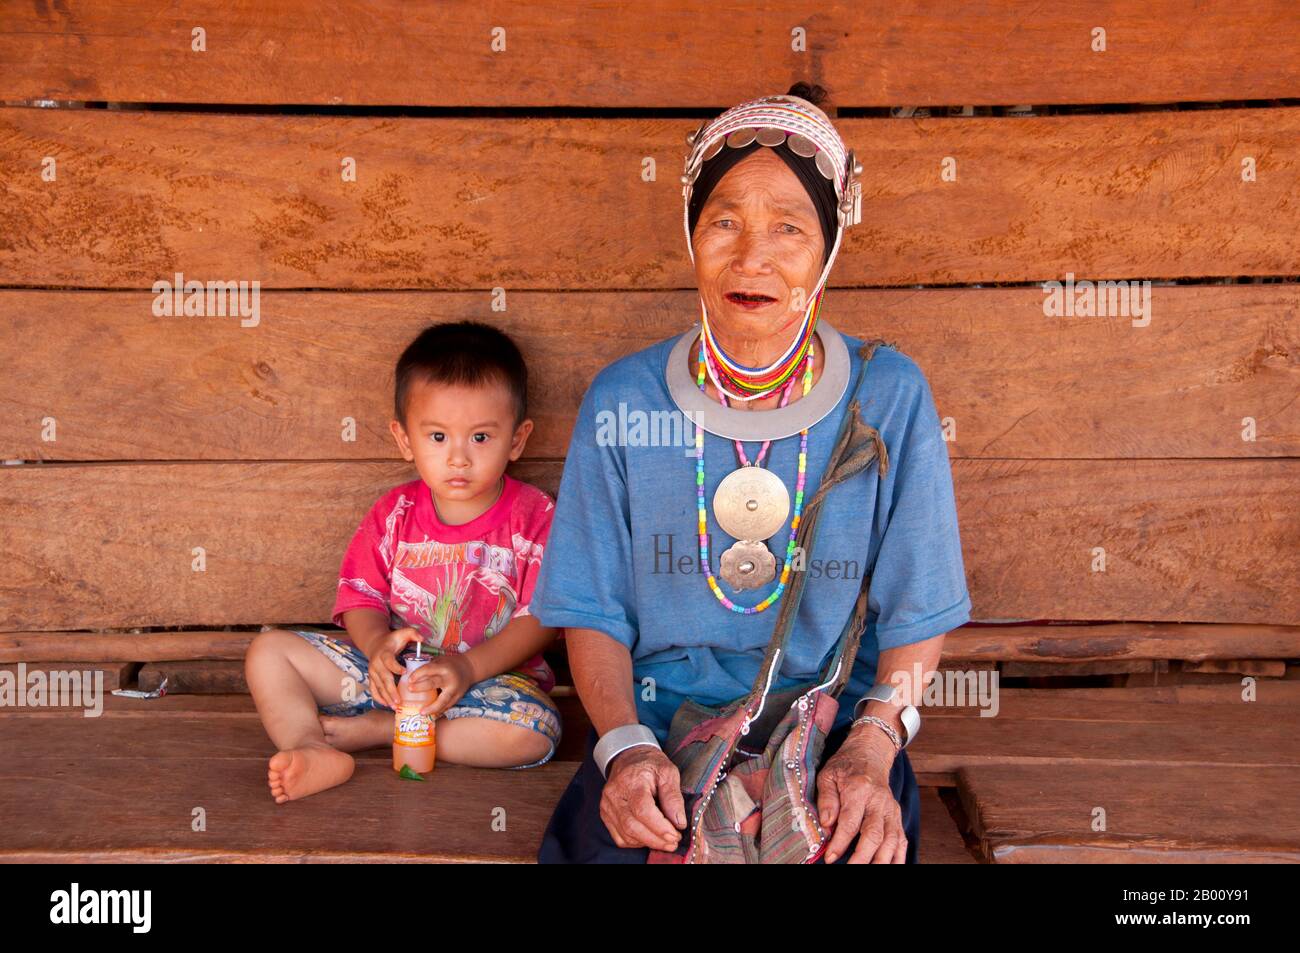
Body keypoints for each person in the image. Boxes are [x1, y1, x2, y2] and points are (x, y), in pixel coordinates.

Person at [531, 83, 972, 863]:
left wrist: (871, 749)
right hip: (660, 734)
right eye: (725, 220)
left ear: (829, 248)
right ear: (691, 233)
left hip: (832, 731)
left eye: (789, 228)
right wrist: (628, 750)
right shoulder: (624, 398)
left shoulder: (889, 395)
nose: (752, 255)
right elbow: (590, 611)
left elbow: (917, 618)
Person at [245, 321, 562, 803]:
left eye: (480, 438)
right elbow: (361, 598)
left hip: (486, 688)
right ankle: (309, 746)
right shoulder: (394, 514)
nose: (458, 458)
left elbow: (542, 619)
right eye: (437, 437)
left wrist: (467, 669)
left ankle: (379, 732)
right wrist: (375, 649)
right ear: (404, 438)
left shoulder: (535, 516)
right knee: (269, 652)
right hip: (391, 680)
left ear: (517, 440)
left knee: (532, 734)